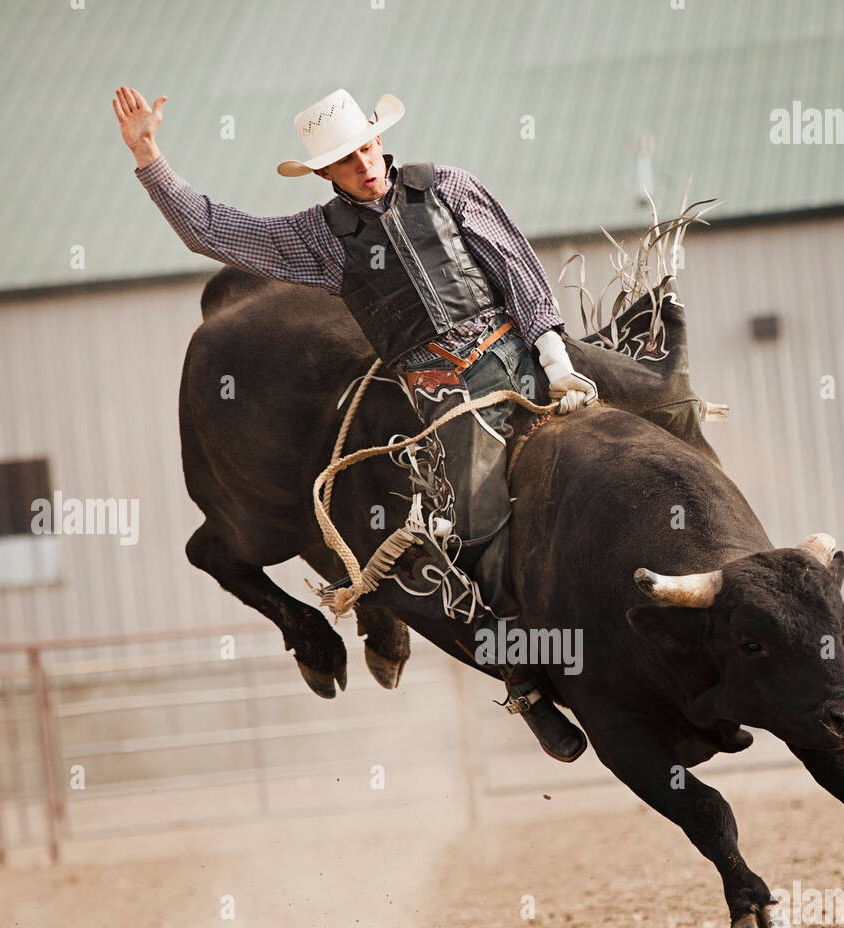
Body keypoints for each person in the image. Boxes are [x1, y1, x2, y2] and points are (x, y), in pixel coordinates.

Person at [113, 84, 593, 761]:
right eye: (346, 160)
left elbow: (514, 266)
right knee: (482, 540)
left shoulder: (449, 186)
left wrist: (555, 355)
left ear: (379, 140)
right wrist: (150, 158)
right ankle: (528, 686)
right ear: (326, 174)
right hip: (448, 401)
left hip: (527, 360)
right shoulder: (317, 239)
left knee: (637, 434)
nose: (365, 164)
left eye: (366, 147)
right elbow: (212, 229)